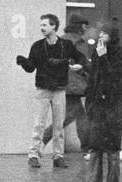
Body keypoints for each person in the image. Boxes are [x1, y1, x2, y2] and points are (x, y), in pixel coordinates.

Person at [17, 13, 77, 169]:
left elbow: (78, 57)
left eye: (44, 25)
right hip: (43, 89)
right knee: (39, 124)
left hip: (59, 90)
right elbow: (31, 67)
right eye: (41, 25)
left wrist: (80, 65)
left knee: (59, 124)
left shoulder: (66, 45)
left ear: (53, 27)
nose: (41, 28)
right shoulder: (37, 46)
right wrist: (23, 62)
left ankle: (58, 155)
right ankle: (33, 155)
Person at [76, 23, 122, 182]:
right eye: (101, 33)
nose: (101, 37)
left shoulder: (120, 54)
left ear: (112, 36)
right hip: (97, 106)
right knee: (94, 146)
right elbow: (95, 77)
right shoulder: (97, 53)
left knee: (112, 148)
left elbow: (113, 75)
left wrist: (103, 57)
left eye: (105, 34)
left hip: (112, 105)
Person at [41, 13, 93, 152]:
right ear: (80, 26)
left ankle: (87, 148)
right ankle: (44, 139)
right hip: (73, 85)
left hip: (62, 83)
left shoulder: (61, 39)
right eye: (84, 25)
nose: (86, 28)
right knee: (69, 116)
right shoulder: (78, 42)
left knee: (78, 115)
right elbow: (84, 63)